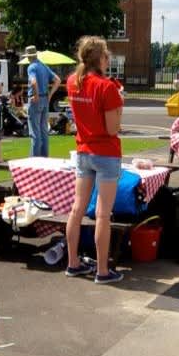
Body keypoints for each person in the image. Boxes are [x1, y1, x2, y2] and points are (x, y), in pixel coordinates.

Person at [63, 36, 125, 285]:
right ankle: (102, 270)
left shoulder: (72, 81)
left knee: (77, 209)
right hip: (105, 152)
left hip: (83, 150)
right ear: (100, 58)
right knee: (102, 214)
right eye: (107, 55)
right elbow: (113, 129)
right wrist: (120, 107)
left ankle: (73, 263)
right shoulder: (106, 87)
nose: (108, 59)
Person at [24, 48, 58, 158]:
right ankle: (44, 157)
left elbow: (33, 82)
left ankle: (35, 159)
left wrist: (36, 95)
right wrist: (50, 94)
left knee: (35, 131)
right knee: (44, 130)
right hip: (45, 99)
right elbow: (57, 80)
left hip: (36, 100)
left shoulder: (31, 67)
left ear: (29, 56)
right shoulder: (43, 66)